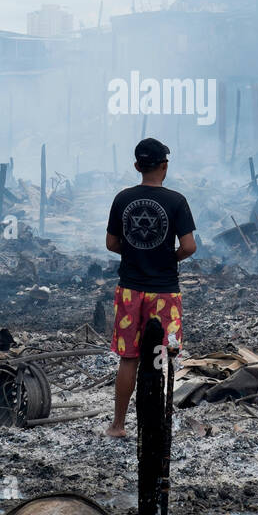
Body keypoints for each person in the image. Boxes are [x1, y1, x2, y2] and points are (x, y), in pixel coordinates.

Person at [104, 137, 196, 438]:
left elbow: (111, 243)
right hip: (165, 292)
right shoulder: (177, 201)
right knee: (161, 356)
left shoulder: (122, 198)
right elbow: (189, 246)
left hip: (130, 289)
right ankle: (157, 425)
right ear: (165, 166)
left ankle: (118, 425)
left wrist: (135, 252)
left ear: (137, 166)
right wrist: (167, 257)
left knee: (128, 358)